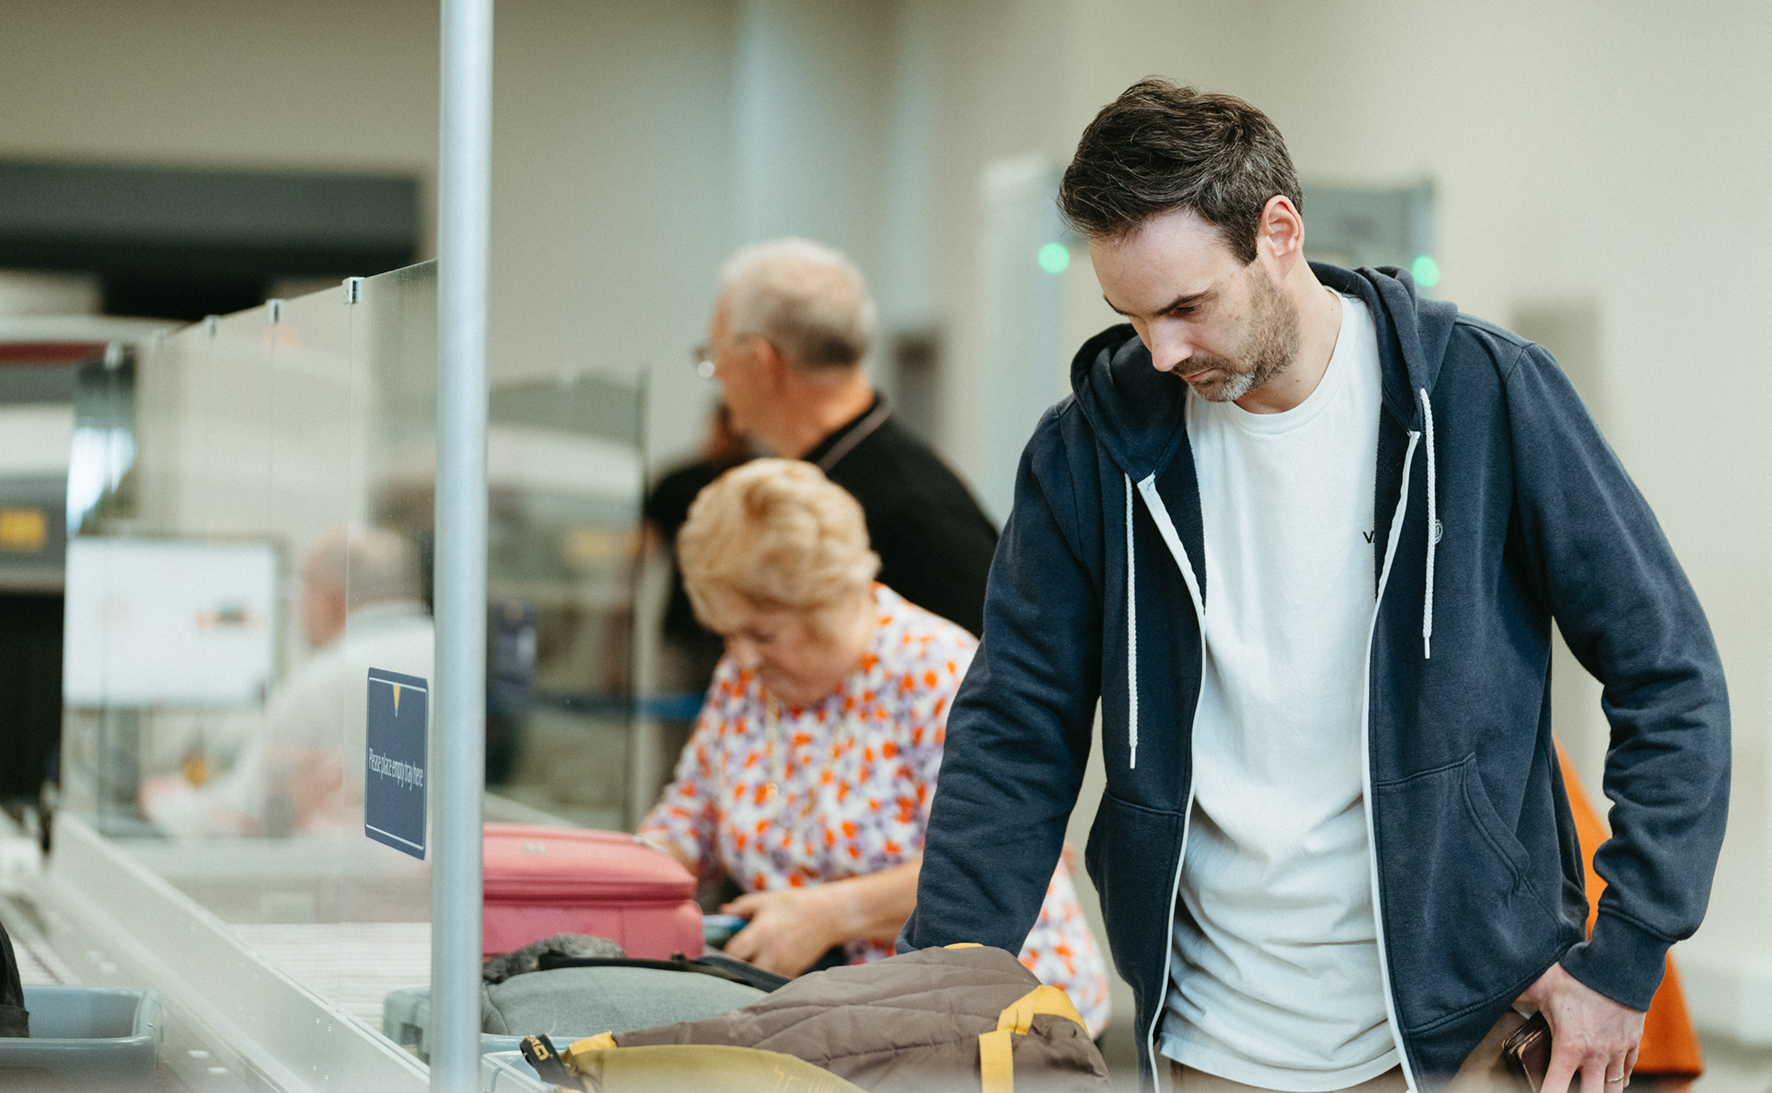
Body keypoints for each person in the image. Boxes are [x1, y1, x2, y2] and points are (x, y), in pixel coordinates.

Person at [901, 80, 1729, 1093]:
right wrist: (938, 996)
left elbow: (1667, 674)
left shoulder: (1481, 396)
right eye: (1130, 315)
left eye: (1185, 306)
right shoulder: (1090, 452)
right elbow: (1012, 731)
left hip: (1466, 1031)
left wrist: (1625, 954)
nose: (1159, 351)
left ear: (1277, 232)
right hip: (1206, 1041)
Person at [637, 458, 1111, 1036]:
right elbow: (693, 816)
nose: (742, 658)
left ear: (831, 599)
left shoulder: (934, 670)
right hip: (836, 1018)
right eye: (726, 635)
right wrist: (633, 871)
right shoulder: (749, 678)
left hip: (995, 1023)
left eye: (762, 633)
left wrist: (833, 914)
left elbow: (1001, 858)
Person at [697, 237, 998, 636]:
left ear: (762, 359)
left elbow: (979, 674)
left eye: (717, 353)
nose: (716, 374)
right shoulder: (837, 473)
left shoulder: (908, 512)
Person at [142, 525, 433, 836]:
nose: (296, 605)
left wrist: (162, 800)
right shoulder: (453, 662)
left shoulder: (323, 681)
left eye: (302, 587)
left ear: (331, 599)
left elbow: (241, 818)